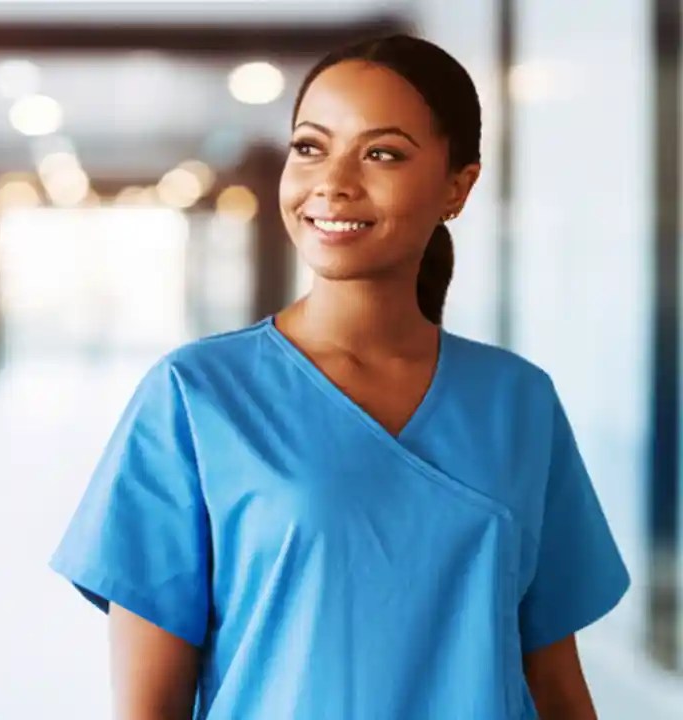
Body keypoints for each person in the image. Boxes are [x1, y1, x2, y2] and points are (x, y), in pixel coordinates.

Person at [48, 33, 629, 719]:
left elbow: (556, 680)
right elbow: (148, 706)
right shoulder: (197, 395)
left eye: (382, 153)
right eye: (310, 147)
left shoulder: (518, 400)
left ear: (457, 186)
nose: (334, 182)